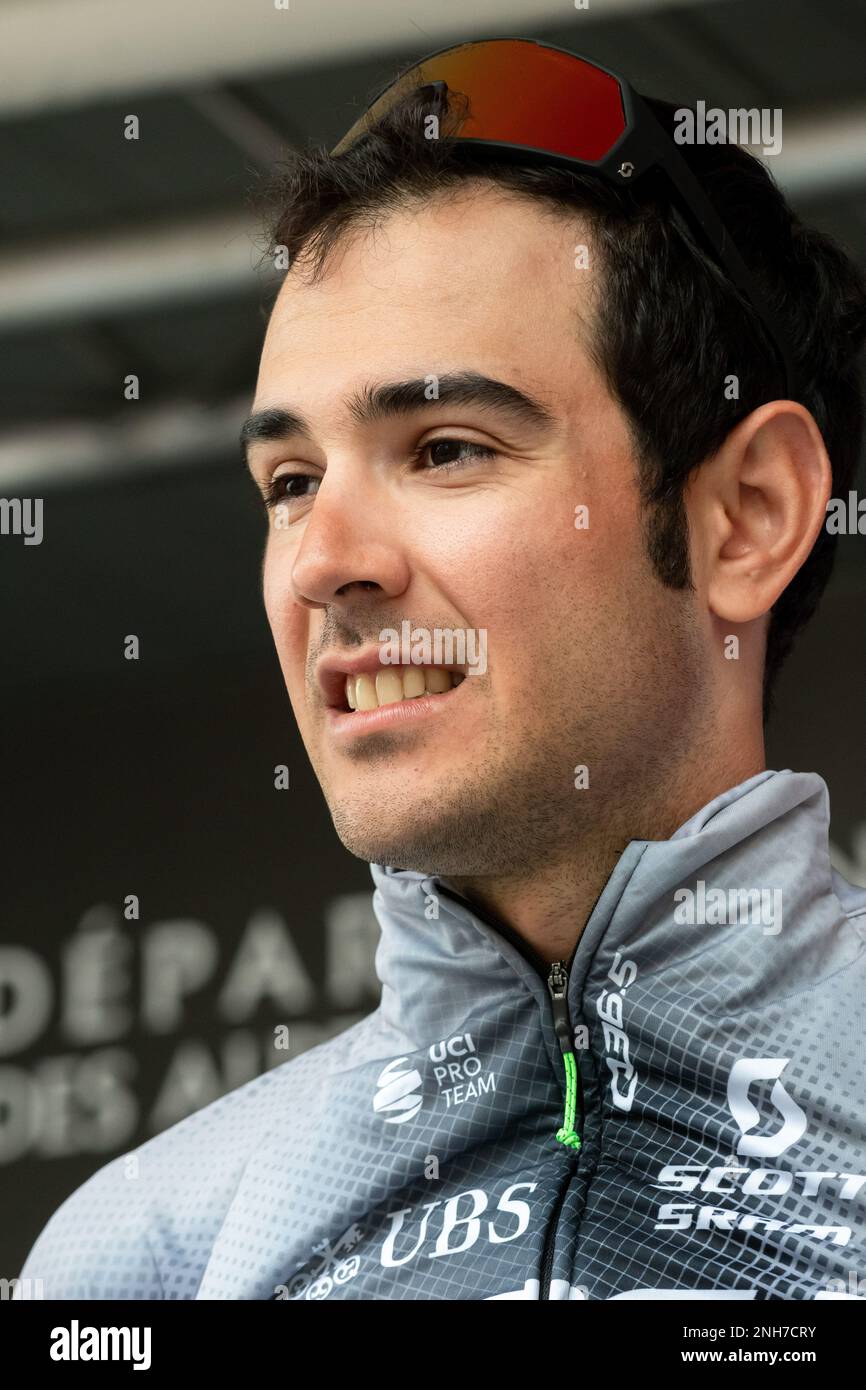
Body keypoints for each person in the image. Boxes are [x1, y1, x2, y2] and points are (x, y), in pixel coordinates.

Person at [17, 38, 866, 1301]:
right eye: (291, 482)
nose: (324, 563)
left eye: (445, 449)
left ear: (744, 515)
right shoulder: (142, 1255)